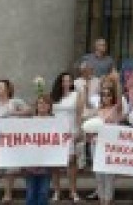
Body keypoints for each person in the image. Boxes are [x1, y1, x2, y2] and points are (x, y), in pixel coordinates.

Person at [49, 73, 82, 203]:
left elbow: (79, 114)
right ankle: (57, 191)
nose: (67, 83)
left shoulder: (76, 95)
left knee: (71, 161)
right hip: (55, 132)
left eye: (69, 80)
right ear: (60, 82)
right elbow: (49, 112)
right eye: (64, 81)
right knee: (55, 162)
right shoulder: (53, 96)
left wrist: (79, 130)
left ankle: (73, 191)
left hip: (70, 130)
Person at [91, 80, 123, 205]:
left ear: (112, 96)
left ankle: (108, 200)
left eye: (108, 95)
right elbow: (91, 127)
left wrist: (117, 81)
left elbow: (119, 101)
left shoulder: (116, 109)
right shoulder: (97, 110)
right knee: (98, 175)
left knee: (109, 175)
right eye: (103, 95)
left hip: (110, 146)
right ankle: (101, 199)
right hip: (96, 145)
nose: (106, 97)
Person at [23, 97, 56, 205]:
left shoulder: (55, 122)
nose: (42, 105)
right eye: (40, 103)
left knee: (43, 192)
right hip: (30, 164)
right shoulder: (29, 122)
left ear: (49, 106)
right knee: (30, 192)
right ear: (36, 106)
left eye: (45, 103)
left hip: (46, 164)